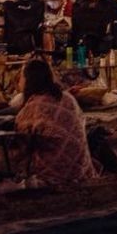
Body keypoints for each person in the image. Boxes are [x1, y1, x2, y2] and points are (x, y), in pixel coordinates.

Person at [11, 58, 99, 186]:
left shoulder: (34, 106)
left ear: (28, 80)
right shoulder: (68, 98)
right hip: (81, 168)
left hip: (54, 170)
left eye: (21, 77)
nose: (19, 81)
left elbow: (21, 142)